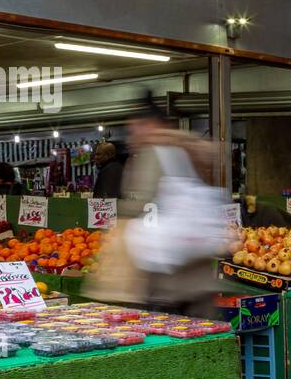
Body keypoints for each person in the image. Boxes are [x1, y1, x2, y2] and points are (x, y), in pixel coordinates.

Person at [87, 103, 219, 316]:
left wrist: (116, 233)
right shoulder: (189, 147)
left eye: (135, 128)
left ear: (150, 125)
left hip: (169, 277)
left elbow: (141, 205)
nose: (132, 136)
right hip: (199, 273)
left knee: (173, 335)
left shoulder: (155, 154)